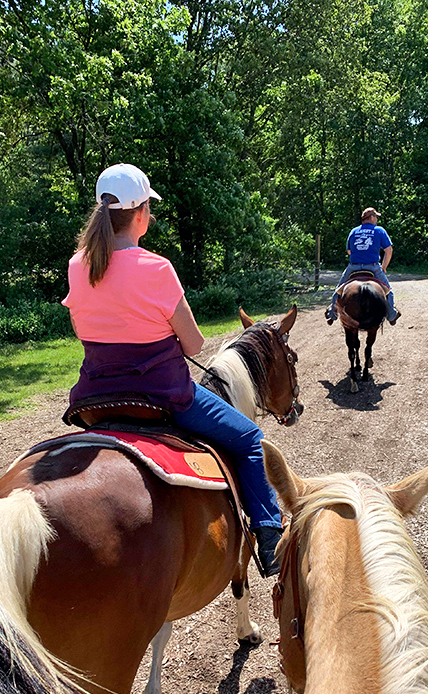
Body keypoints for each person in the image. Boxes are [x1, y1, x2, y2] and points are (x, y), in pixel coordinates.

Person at [61, 163, 283, 576]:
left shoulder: (79, 265)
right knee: (251, 439)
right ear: (141, 212)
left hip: (96, 398)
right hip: (164, 396)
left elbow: (81, 329)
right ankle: (270, 534)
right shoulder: (157, 268)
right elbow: (194, 344)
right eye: (150, 207)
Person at [325, 207, 401, 325]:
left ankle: (332, 314)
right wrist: (384, 267)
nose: (376, 219)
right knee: (388, 292)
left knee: (338, 290)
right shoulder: (379, 230)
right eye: (376, 217)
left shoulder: (353, 231)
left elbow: (349, 251)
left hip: (353, 267)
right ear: (371, 217)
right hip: (372, 267)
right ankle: (391, 315)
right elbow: (388, 250)